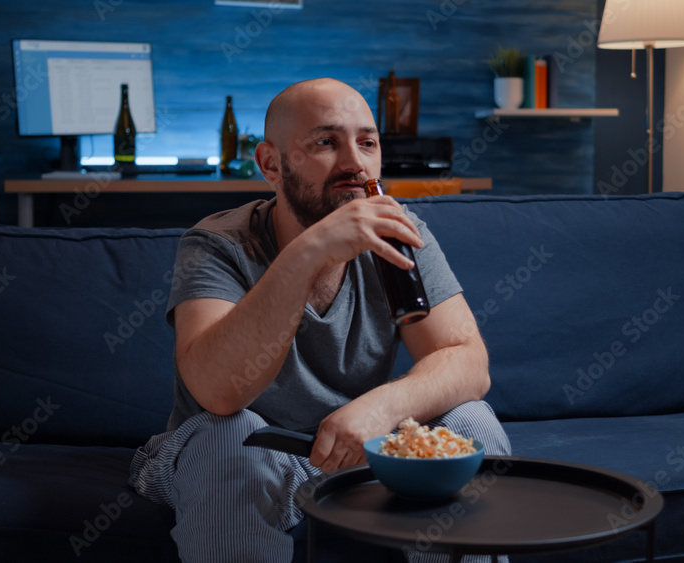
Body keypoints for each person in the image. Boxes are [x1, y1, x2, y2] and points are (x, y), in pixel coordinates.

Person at [130, 77, 511, 562]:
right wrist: (310, 253)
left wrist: (380, 409)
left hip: (361, 451)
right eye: (326, 142)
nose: (355, 163)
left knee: (471, 420)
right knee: (227, 438)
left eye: (367, 143)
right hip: (243, 450)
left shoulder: (401, 232)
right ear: (271, 163)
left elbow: (466, 362)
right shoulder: (218, 245)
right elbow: (219, 392)